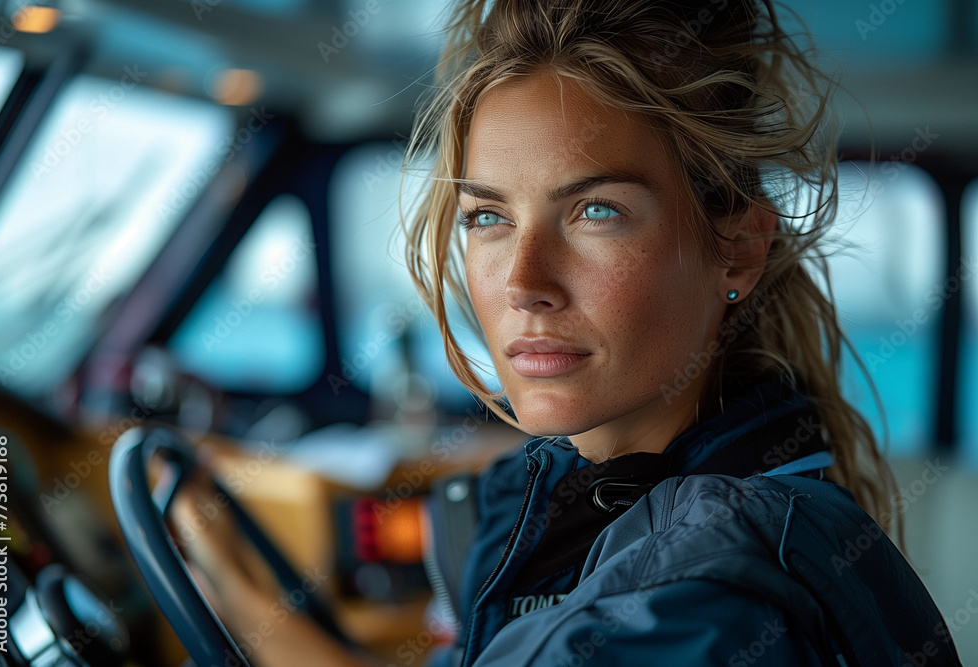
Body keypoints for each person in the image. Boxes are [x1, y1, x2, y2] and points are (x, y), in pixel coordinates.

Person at [172, 0, 964, 665]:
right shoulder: (628, 499)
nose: (524, 281)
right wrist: (238, 591)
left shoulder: (695, 607)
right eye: (488, 216)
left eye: (596, 211)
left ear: (739, 248)